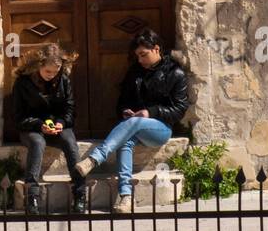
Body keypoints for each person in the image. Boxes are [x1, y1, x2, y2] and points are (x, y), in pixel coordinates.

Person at [75, 28, 189, 214]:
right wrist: (125, 112)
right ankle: (126, 196)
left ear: (156, 49)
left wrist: (149, 112)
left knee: (134, 124)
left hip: (161, 128)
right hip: (133, 126)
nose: (140, 60)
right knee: (125, 142)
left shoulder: (175, 73)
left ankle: (95, 158)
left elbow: (179, 110)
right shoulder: (135, 72)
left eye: (143, 55)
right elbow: (122, 101)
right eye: (137, 56)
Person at [11, 43, 87, 216]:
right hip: (32, 127)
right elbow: (18, 118)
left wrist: (61, 122)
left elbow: (70, 108)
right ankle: (32, 196)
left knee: (69, 141)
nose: (52, 75)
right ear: (39, 66)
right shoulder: (23, 83)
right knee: (37, 143)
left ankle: (80, 193)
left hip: (57, 126)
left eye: (56, 71)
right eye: (48, 72)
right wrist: (39, 126)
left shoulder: (63, 80)